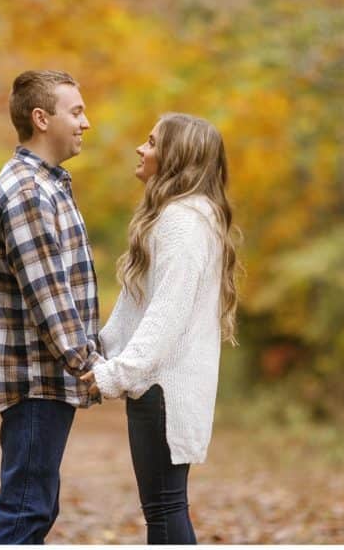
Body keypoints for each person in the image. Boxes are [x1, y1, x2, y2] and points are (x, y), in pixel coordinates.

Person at [81, 113, 239, 545]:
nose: (140, 148)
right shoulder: (186, 216)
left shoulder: (183, 221)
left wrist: (115, 374)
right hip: (161, 389)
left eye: (151, 142)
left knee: (165, 510)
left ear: (176, 156)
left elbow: (166, 315)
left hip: (161, 391)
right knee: (165, 507)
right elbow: (138, 308)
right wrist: (100, 350)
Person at [0, 70, 103, 544]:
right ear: (41, 118)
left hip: (45, 377)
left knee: (33, 506)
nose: (86, 122)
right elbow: (48, 294)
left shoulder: (47, 184)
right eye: (77, 111)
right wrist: (89, 366)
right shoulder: (28, 191)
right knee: (25, 511)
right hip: (36, 379)